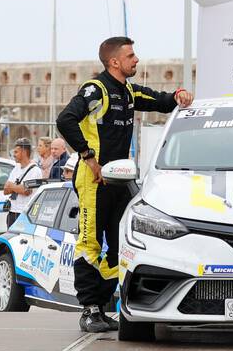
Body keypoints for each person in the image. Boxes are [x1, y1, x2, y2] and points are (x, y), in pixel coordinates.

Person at [58, 36, 192, 333]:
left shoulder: (128, 91)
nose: (137, 60)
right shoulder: (96, 90)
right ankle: (89, 310)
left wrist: (179, 95)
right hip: (93, 179)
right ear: (114, 62)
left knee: (121, 245)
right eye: (131, 56)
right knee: (89, 243)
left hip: (121, 179)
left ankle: (105, 306)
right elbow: (65, 119)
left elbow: (160, 100)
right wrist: (88, 156)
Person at [3, 138, 42, 229]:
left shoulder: (36, 171)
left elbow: (26, 191)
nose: (14, 155)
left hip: (26, 213)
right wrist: (18, 187)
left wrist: (12, 186)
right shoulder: (16, 168)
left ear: (24, 152)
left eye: (16, 152)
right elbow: (5, 189)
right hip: (12, 212)